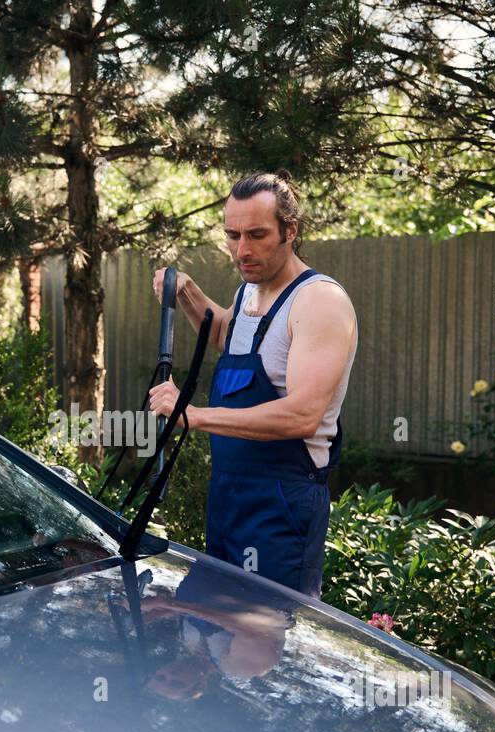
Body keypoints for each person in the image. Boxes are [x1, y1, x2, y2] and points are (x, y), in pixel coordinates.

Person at [148, 171, 358, 598]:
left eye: (257, 235)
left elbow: (303, 414)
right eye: (232, 235)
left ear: (290, 231)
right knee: (221, 628)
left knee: (264, 642)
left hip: (280, 505)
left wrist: (195, 416)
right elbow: (228, 335)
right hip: (229, 495)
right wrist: (187, 294)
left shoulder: (318, 301)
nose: (241, 250)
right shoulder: (250, 291)